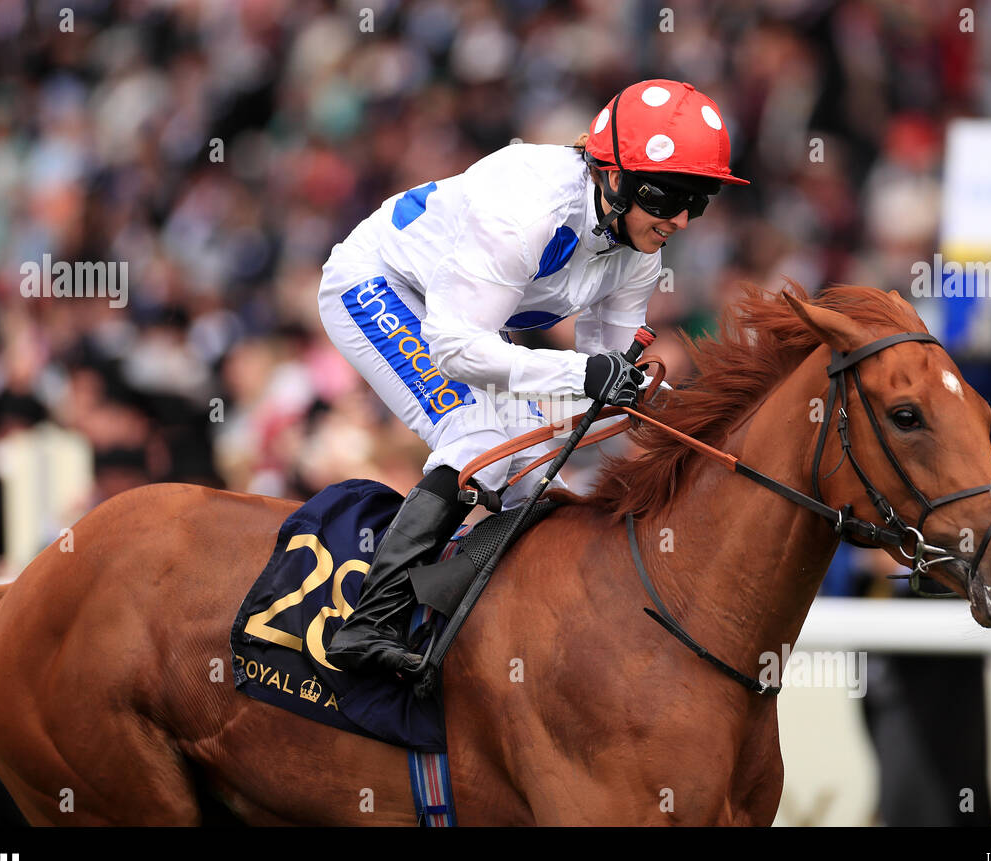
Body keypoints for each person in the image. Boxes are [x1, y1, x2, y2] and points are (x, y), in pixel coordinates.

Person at [317, 80, 747, 678]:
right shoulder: (528, 208)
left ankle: (471, 621)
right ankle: (371, 622)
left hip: (463, 321)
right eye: (666, 195)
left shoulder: (639, 249)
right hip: (380, 285)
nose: (678, 219)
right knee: (481, 439)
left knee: (535, 468)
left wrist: (675, 411)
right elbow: (457, 352)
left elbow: (610, 376)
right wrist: (590, 375)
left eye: (696, 201)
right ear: (613, 178)